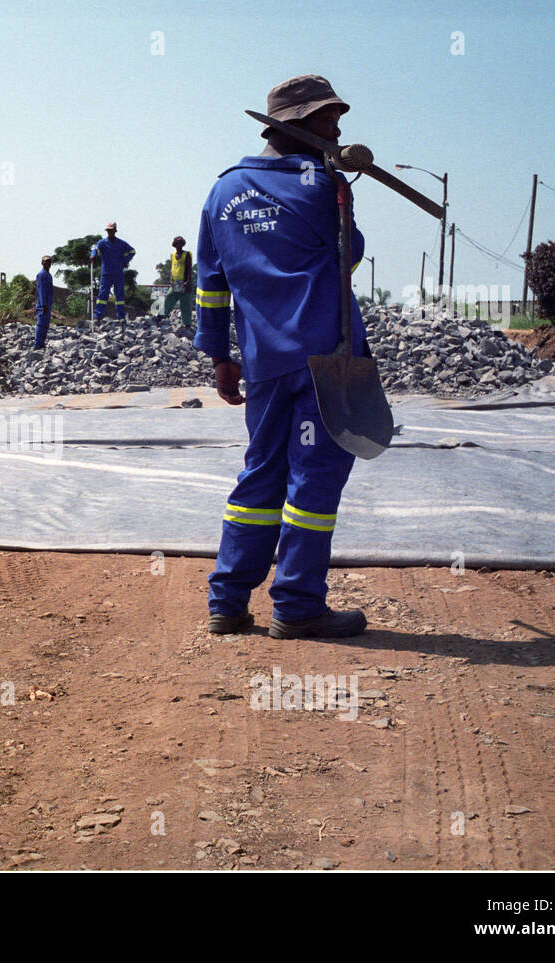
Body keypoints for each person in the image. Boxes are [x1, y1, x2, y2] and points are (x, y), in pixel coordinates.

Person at [195, 74, 369, 639]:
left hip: (264, 363)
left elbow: (211, 284)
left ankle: (227, 600)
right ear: (292, 126)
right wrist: (341, 184)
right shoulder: (318, 184)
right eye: (326, 121)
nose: (336, 129)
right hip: (326, 359)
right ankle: (296, 606)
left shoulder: (221, 192)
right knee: (313, 477)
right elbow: (350, 253)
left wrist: (220, 354)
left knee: (261, 471)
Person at [91, 222, 135, 320]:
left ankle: (120, 316)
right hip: (106, 273)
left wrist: (125, 260)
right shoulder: (102, 243)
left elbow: (132, 251)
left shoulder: (121, 243)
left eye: (111, 230)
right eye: (108, 230)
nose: (110, 232)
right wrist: (93, 255)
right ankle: (97, 316)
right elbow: (95, 249)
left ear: (115, 231)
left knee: (119, 295)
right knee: (103, 294)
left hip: (118, 272)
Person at [164, 236, 194, 328]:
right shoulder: (173, 255)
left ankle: (186, 323)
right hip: (175, 283)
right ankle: (162, 315)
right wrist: (171, 280)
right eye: (177, 244)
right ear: (174, 245)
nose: (178, 246)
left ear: (183, 245)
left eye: (180, 244)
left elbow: (189, 269)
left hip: (185, 282)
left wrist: (187, 281)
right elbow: (172, 268)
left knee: (185, 302)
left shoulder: (186, 254)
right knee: (169, 297)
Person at [34, 255, 55, 349]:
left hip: (48, 304)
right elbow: (41, 291)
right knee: (41, 324)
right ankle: (37, 345)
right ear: (42, 263)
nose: (48, 263)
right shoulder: (41, 275)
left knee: (45, 325)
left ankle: (42, 343)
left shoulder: (48, 275)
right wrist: (44, 305)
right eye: (46, 261)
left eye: (49, 262)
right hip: (43, 305)